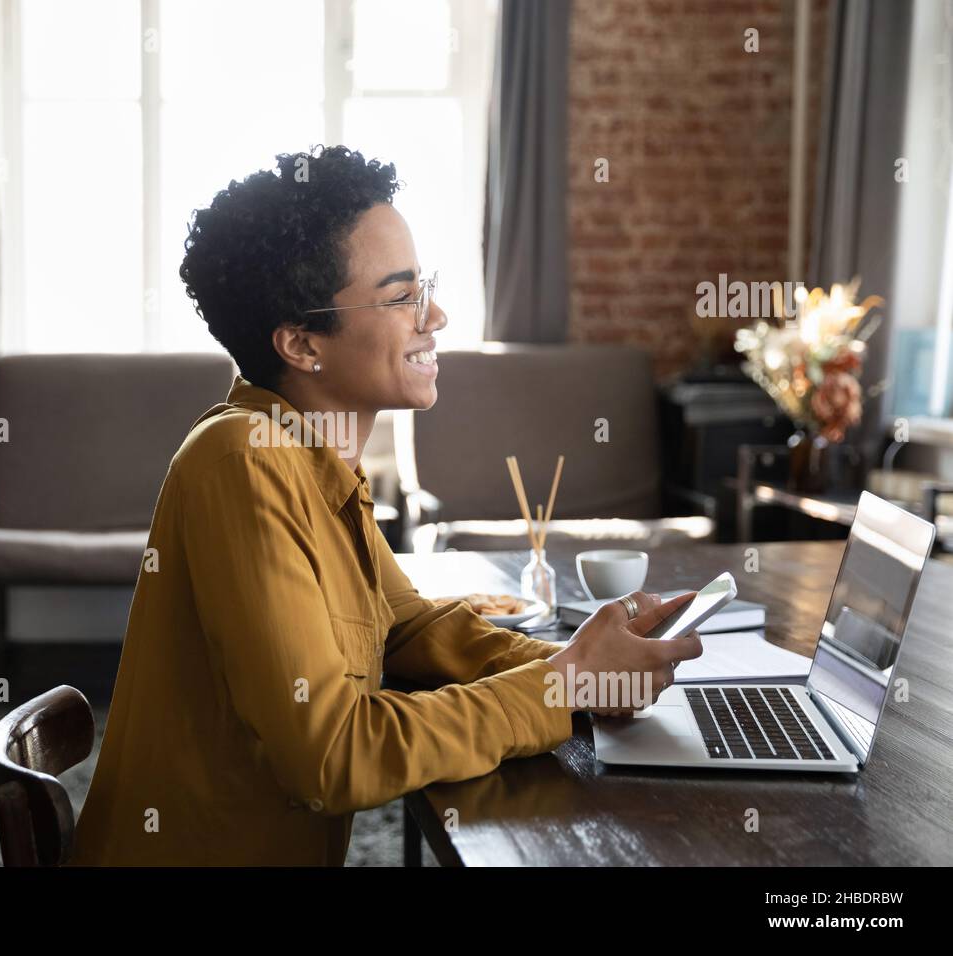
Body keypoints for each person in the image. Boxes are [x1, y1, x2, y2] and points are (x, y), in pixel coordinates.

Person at [68, 145, 702, 866]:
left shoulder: (314, 457)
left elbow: (406, 630)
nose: (436, 315)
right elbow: (332, 755)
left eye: (423, 287)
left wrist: (580, 663)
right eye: (402, 298)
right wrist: (564, 686)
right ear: (301, 343)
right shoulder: (245, 461)